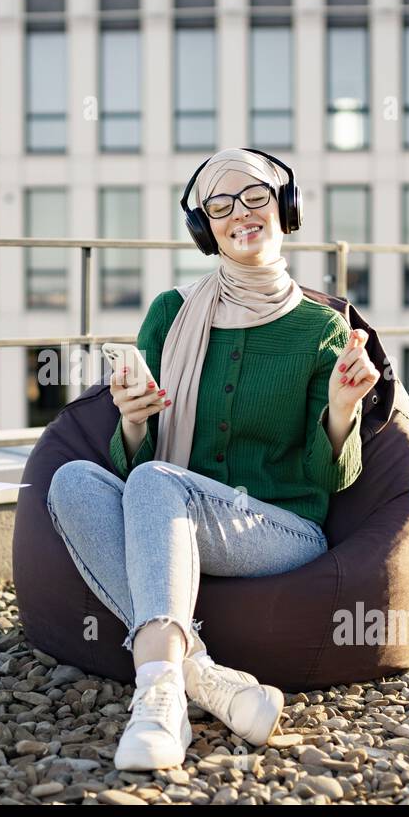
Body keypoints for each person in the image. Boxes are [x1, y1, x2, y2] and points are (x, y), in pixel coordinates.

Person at [45, 147, 381, 771]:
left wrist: (340, 409)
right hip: (170, 502)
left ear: (285, 209)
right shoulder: (171, 315)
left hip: (278, 527)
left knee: (155, 483)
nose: (240, 215)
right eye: (220, 206)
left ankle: (157, 697)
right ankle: (197, 676)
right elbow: (129, 473)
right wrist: (134, 419)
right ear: (205, 227)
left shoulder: (322, 329)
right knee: (72, 482)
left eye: (254, 198)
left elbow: (326, 479)